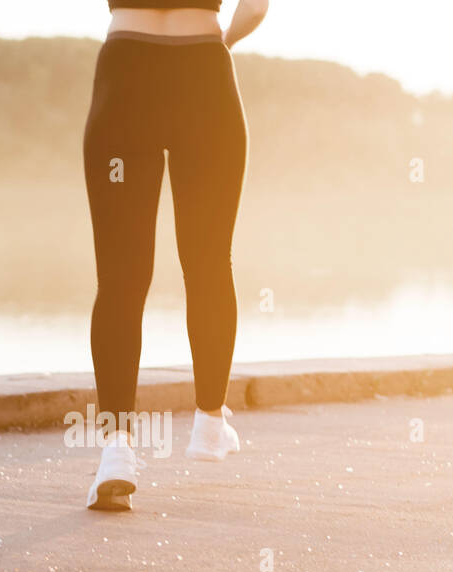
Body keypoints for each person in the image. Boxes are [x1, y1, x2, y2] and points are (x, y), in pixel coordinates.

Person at [83, 0, 269, 511]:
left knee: (120, 276)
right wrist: (218, 45)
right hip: (204, 72)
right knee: (209, 261)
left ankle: (116, 451)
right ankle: (209, 421)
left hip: (125, 71)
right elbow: (254, 8)